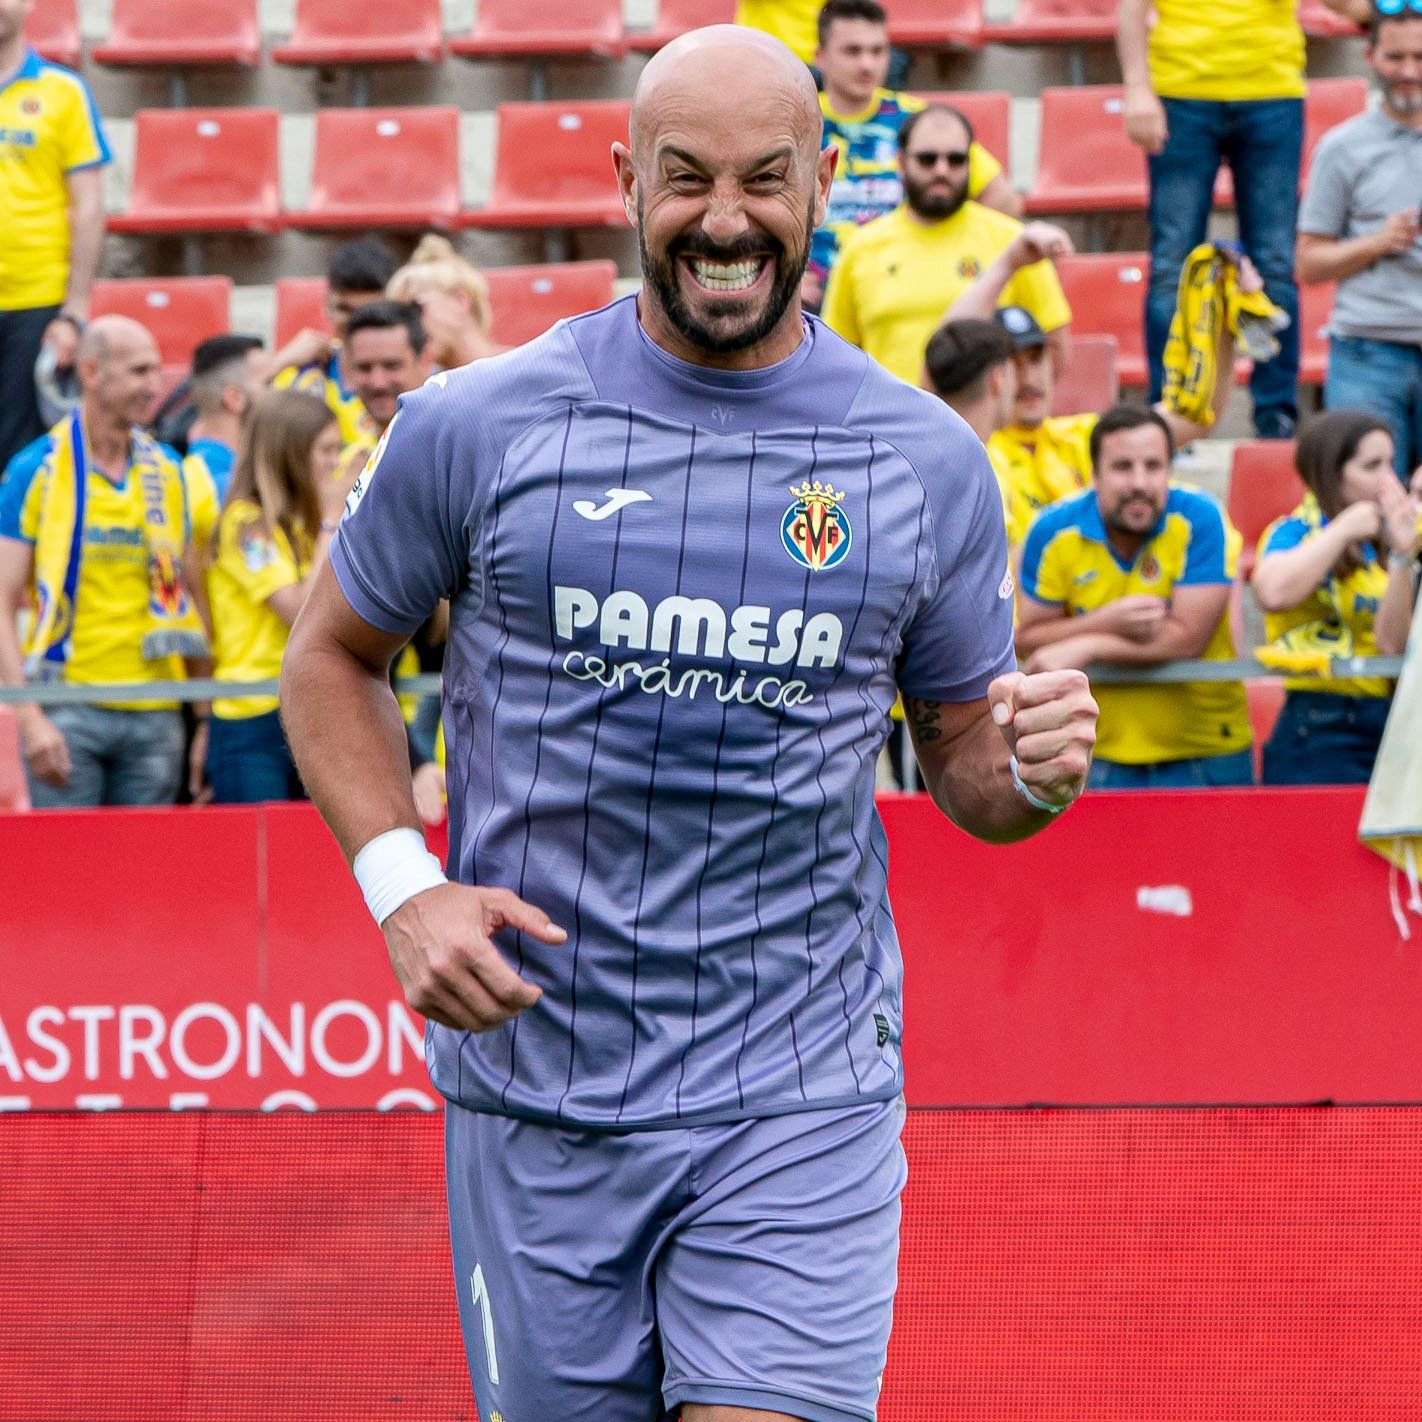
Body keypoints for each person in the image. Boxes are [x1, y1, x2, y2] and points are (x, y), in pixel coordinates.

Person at [280, 25, 1097, 1422]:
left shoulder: (925, 462)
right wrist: (403, 887)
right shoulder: (475, 424)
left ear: (823, 181)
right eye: (686, 179)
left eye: (765, 179)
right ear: (623, 180)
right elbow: (328, 658)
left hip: (801, 1089)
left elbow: (966, 761)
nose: (726, 222)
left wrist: (1028, 769)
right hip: (539, 1089)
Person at [0, 315, 216, 808]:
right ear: (91, 372)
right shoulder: (34, 469)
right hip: (66, 709)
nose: (155, 385)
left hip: (156, 711)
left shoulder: (171, 471)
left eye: (157, 370)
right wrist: (29, 718)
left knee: (146, 859)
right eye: (140, 371)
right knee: (68, 858)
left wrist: (204, 719)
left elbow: (193, 597)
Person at [930, 222, 1249, 549]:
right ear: (996, 376)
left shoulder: (1085, 435)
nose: (1028, 378)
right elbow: (944, 352)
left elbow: (1193, 419)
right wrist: (1009, 264)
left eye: (1036, 358)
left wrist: (1223, 308)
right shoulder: (978, 452)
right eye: (1014, 362)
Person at [1017, 403, 1253, 789]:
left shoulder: (1201, 518)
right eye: (1123, 467)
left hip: (1206, 747)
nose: (1140, 482)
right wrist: (1107, 621)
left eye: (1153, 466)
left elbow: (1187, 639)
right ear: (1094, 474)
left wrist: (1089, 644)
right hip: (1091, 751)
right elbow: (1029, 638)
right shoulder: (1051, 531)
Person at [1116, 0, 1301, 439]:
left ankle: (1275, 419)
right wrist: (1137, 87)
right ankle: (1168, 414)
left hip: (1272, 86)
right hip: (1182, 86)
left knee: (1274, 263)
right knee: (1173, 265)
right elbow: (1131, 7)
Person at [821, 105, 1071, 387]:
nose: (942, 170)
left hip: (985, 415)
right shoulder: (860, 248)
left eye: (956, 160)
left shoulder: (1014, 244)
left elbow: (1054, 349)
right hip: (889, 415)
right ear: (901, 162)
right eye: (927, 159)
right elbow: (836, 357)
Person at [804, 0, 1020, 310]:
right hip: (812, 300)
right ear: (821, 57)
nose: (867, 64)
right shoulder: (798, 120)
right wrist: (784, 277)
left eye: (878, 51)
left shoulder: (916, 121)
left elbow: (1003, 201)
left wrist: (944, 253)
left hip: (899, 289)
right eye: (853, 51)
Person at [1253, 410, 1421, 784]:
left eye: (1391, 463)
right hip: (1318, 721)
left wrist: (1401, 557)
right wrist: (1343, 529)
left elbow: (1393, 646)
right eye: (1372, 466)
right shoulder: (1294, 531)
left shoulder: (1393, 541)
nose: (1390, 481)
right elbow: (1273, 593)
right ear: (1332, 472)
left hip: (1390, 718)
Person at [1298, 5, 1422, 482]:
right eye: (1395, 57)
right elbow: (1308, 264)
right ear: (1370, 57)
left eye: (1419, 57)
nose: (1408, 71)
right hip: (1367, 351)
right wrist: (1377, 242)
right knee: (1364, 500)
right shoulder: (1341, 147)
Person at [203, 391, 347, 804]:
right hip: (251, 717)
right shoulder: (245, 523)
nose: (335, 462)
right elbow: (299, 610)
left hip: (306, 708)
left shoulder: (301, 526)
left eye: (337, 449)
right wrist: (332, 519)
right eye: (325, 450)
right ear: (290, 454)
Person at [0, 0, 110, 472]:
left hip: (36, 304)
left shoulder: (64, 92)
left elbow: (89, 207)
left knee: (19, 460)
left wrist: (74, 311)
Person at [271, 234, 398, 445]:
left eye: (368, 311)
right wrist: (280, 361)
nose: (354, 322)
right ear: (326, 306)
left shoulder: (413, 379)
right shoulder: (301, 378)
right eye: (344, 309)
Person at [386, 235, 506, 369]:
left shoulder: (518, 368)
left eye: (416, 308)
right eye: (400, 317)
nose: (408, 326)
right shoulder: (422, 380)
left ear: (460, 301)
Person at [184, 334, 265, 502]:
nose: (283, 393)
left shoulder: (197, 473)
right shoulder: (226, 487)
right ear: (235, 398)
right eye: (270, 382)